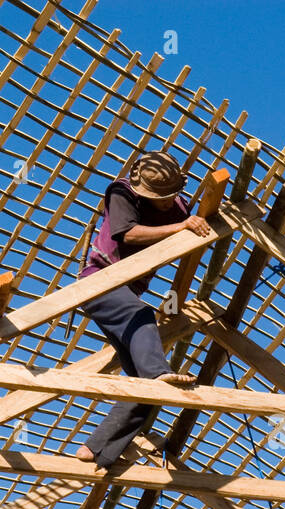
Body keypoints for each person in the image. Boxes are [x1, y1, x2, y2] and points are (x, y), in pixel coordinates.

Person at [73, 151, 211, 468]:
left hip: (128, 288)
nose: (164, 203)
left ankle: (98, 450)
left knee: (143, 385)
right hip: (100, 281)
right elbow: (126, 232)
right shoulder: (122, 192)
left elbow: (198, 223)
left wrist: (189, 222)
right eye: (157, 198)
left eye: (168, 197)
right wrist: (179, 228)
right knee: (143, 316)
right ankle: (159, 373)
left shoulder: (181, 209)